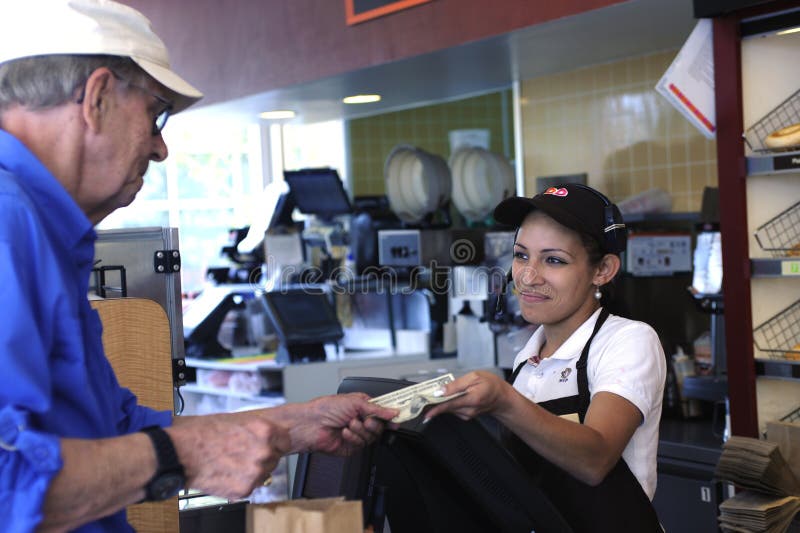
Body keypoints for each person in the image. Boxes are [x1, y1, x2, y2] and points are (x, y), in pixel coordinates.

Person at [0, 1, 397, 532]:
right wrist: (187, 454)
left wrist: (293, 424)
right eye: (155, 115)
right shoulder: (8, 221)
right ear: (97, 98)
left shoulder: (43, 229)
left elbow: (111, 433)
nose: (161, 148)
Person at [426, 183, 667, 532]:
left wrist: (503, 400)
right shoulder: (527, 360)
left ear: (603, 270)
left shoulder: (627, 340)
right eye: (521, 255)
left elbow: (595, 459)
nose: (527, 276)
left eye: (553, 260)